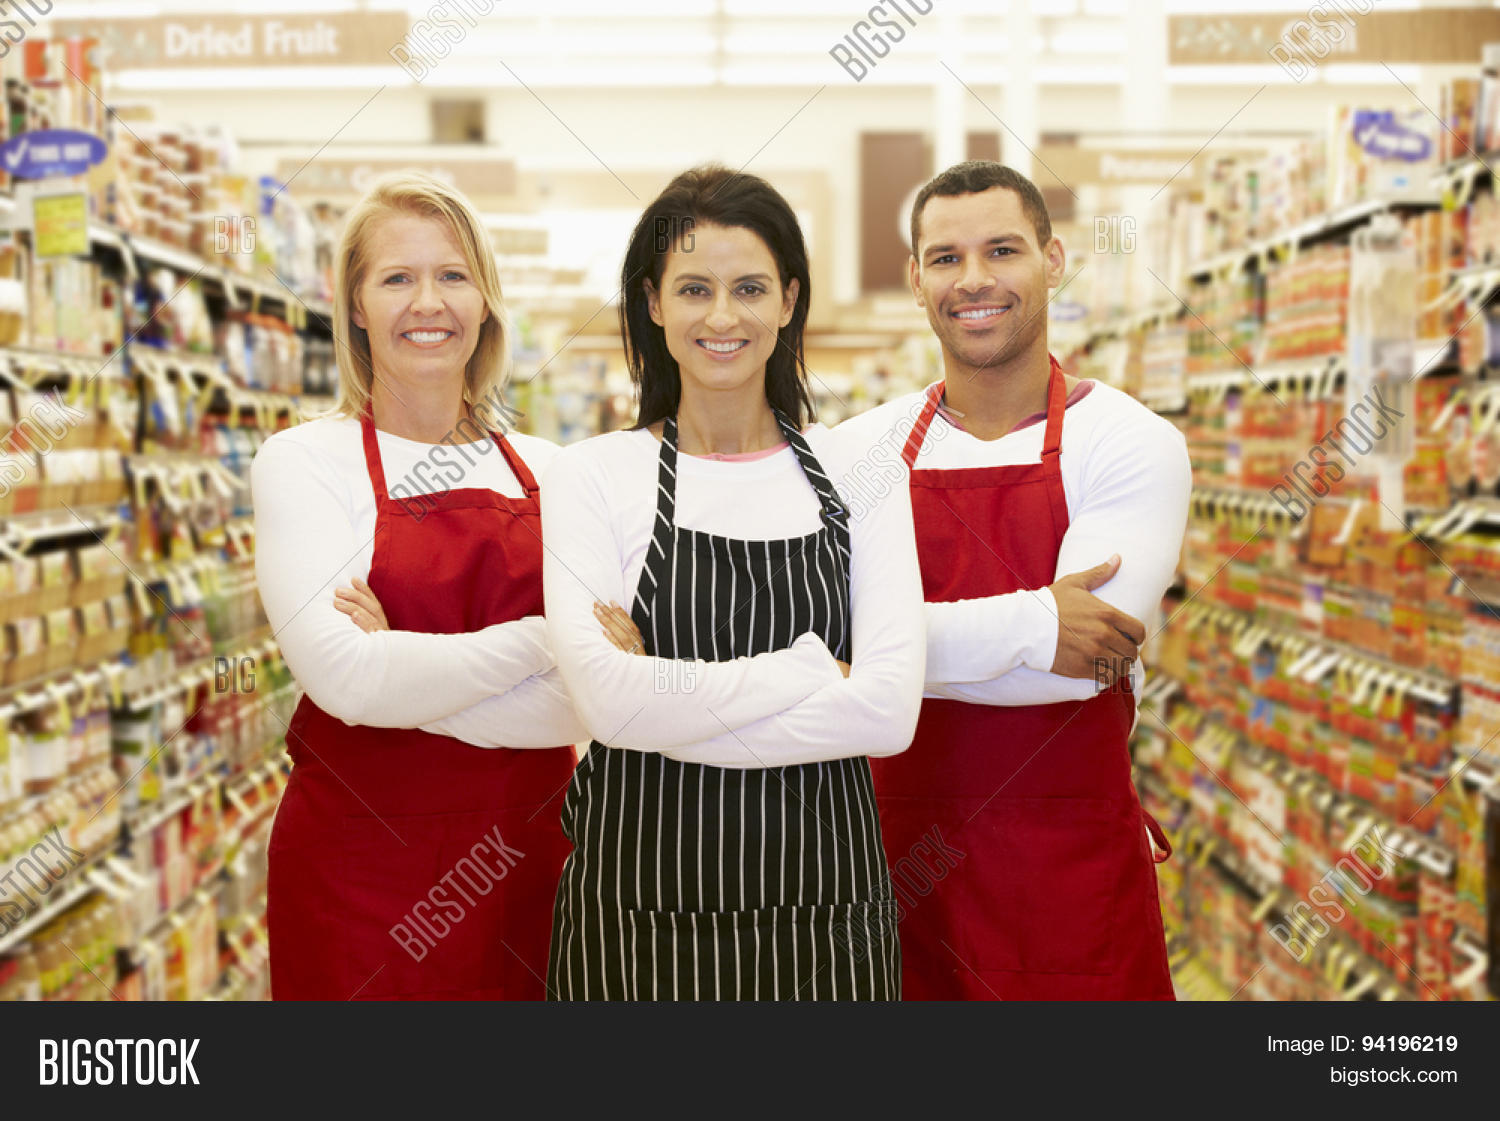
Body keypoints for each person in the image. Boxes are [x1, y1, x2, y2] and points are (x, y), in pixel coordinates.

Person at [541, 165, 924, 1001]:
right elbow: (609, 707)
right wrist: (816, 671)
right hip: (637, 922)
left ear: (789, 299)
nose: (722, 317)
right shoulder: (593, 475)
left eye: (749, 287)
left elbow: (890, 714)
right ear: (652, 302)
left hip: (826, 920)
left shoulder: (862, 469)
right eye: (693, 289)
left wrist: (657, 698)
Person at [839, 161, 1191, 1000]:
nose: (975, 280)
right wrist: (1038, 621)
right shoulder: (857, 450)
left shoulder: (1131, 442)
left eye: (1002, 249)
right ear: (916, 278)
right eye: (947, 258)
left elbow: (1075, 669)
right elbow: (811, 644)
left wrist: (878, 646)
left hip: (1068, 885)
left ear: (1054, 259)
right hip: (892, 878)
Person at [253, 171, 585, 1000]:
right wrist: (549, 641)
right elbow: (346, 681)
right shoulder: (304, 461)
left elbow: (595, 697)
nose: (427, 302)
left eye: (452, 275)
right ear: (356, 305)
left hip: (529, 860)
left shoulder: (551, 471)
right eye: (396, 278)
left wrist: (404, 662)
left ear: (485, 299)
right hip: (358, 874)